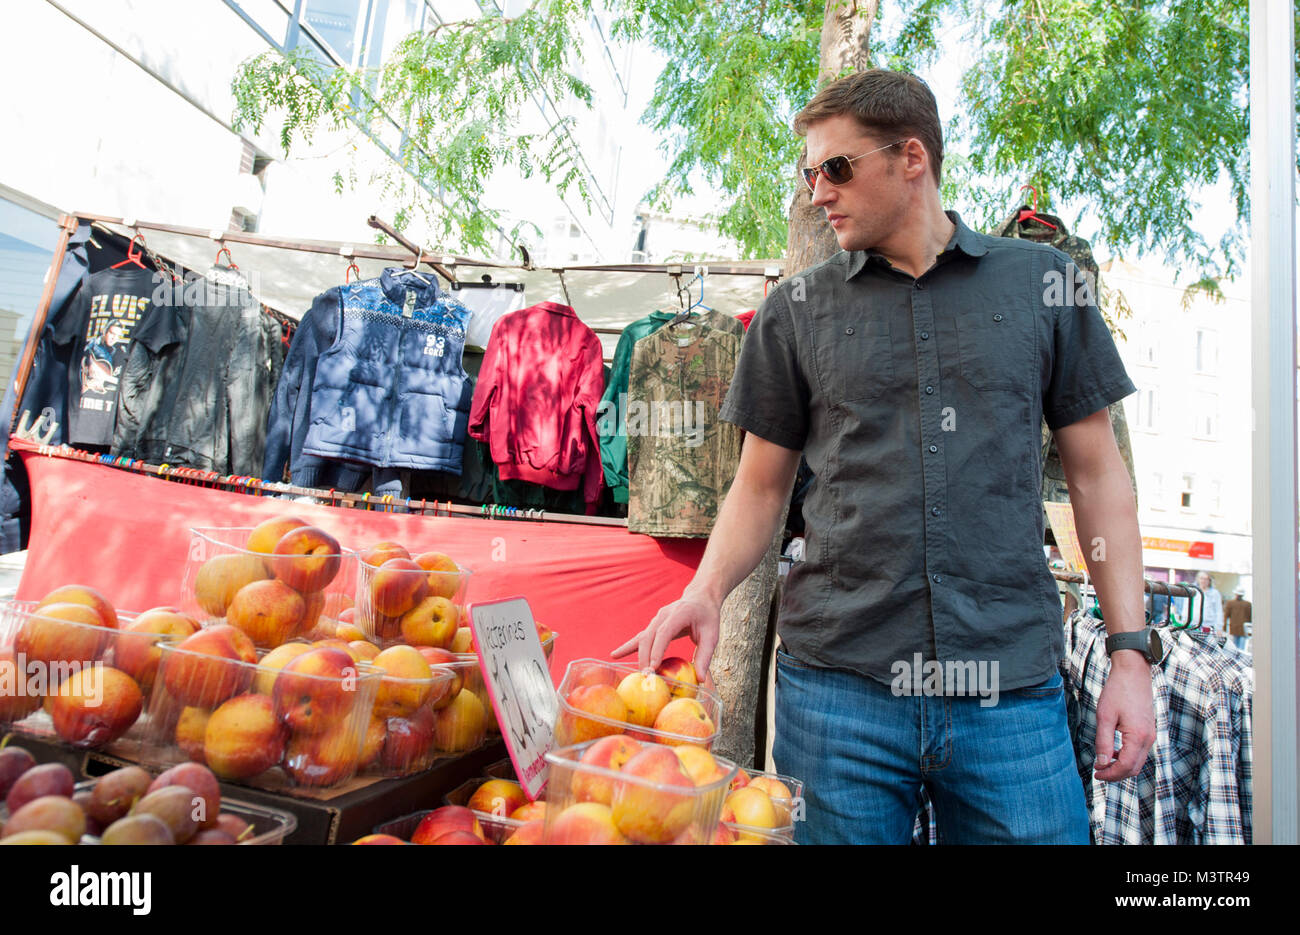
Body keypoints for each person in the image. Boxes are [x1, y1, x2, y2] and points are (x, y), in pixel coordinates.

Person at [613, 69, 1155, 844]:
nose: (816, 193)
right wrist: (707, 588)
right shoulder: (793, 312)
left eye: (836, 168)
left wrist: (1130, 653)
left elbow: (1100, 476)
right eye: (809, 174)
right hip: (838, 693)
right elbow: (760, 486)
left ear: (912, 159)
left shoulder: (1046, 286)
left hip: (1008, 688)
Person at [1223, 586, 1252, 652]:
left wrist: (1224, 628)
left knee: (1235, 648)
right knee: (1241, 649)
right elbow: (1250, 618)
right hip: (1243, 629)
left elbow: (1226, 616)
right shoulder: (1248, 604)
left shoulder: (1230, 603)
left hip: (1234, 628)